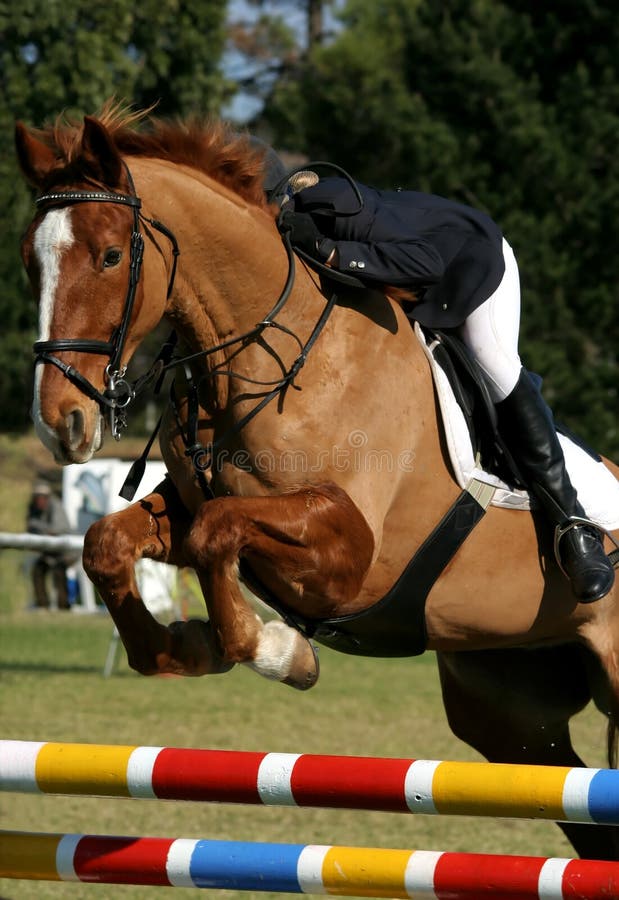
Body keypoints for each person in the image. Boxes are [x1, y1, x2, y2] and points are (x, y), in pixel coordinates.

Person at [278, 176, 615, 603]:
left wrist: (330, 251)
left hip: (474, 268)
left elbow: (424, 262)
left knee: (496, 369)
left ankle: (574, 526)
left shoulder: (338, 207)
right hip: (422, 285)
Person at [26, 482, 78, 610]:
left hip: (67, 550)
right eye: (37, 497)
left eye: (42, 497)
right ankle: (42, 604)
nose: (39, 501)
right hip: (50, 550)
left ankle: (63, 605)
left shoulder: (55, 506)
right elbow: (30, 528)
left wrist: (38, 526)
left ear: (47, 498)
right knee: (37, 570)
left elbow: (57, 530)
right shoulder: (34, 509)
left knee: (59, 569)